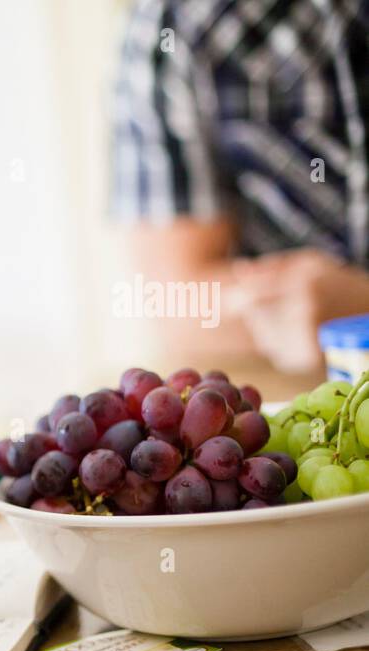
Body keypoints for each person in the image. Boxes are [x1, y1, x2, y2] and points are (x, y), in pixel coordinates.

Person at [112, 0, 369, 373]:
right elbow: (171, 300)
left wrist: (361, 306)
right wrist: (291, 305)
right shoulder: (174, 24)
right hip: (302, 392)